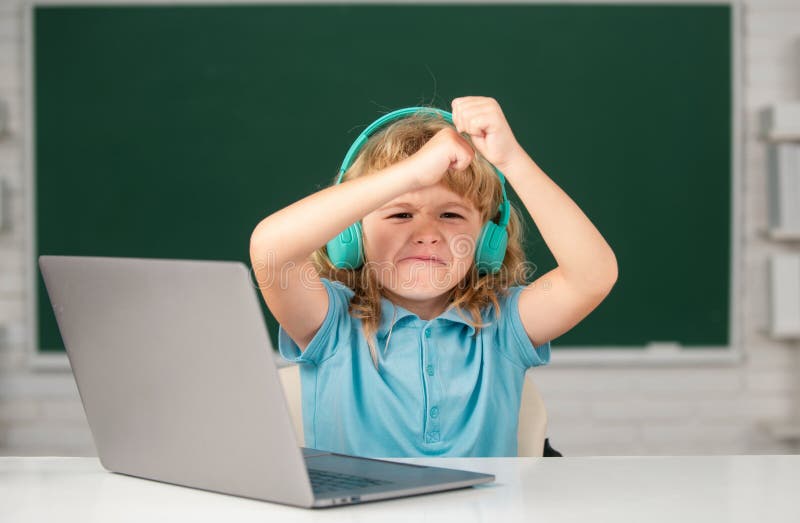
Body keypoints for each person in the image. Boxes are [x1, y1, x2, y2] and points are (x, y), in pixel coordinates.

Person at [249, 96, 617, 457]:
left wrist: (511, 159)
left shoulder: (504, 325)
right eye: (400, 215)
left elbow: (592, 276)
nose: (427, 233)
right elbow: (271, 250)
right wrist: (412, 173)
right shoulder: (330, 324)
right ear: (353, 238)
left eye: (451, 215)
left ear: (487, 242)